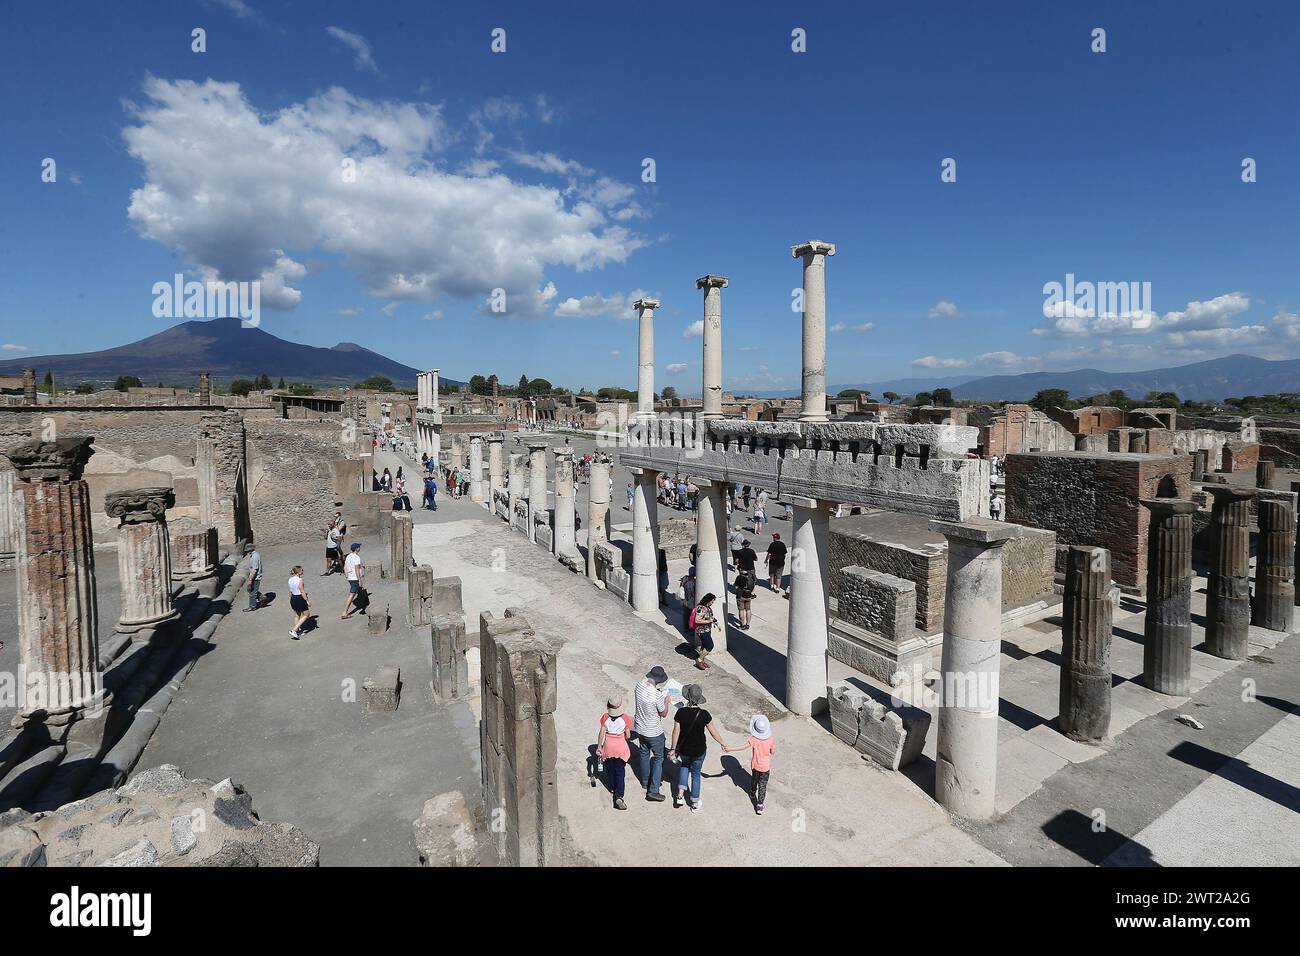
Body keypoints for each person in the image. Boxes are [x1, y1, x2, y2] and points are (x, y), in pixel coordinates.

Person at [668, 684, 727, 812]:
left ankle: (679, 796)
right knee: (695, 774)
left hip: (684, 749)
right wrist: (722, 743)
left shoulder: (681, 712)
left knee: (684, 767)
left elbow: (675, 732)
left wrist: (673, 748)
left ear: (687, 698)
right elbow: (713, 732)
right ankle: (694, 802)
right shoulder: (704, 714)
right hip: (699, 750)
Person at [724, 714, 776, 815]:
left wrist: (730, 749)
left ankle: (752, 793)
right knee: (763, 785)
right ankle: (760, 805)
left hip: (755, 765)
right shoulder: (770, 739)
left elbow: (743, 747)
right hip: (765, 767)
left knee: (754, 779)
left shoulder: (753, 739)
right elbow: (773, 751)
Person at [634, 667, 671, 802]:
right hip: (654, 731)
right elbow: (664, 713)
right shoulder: (657, 696)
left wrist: (657, 692)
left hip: (640, 728)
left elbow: (647, 694)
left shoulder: (639, 685)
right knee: (659, 758)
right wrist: (666, 702)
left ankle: (645, 781)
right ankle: (653, 790)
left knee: (644, 753)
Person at [597, 696, 633, 810]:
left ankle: (612, 787)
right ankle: (619, 796)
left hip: (608, 747)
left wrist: (599, 747)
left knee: (610, 768)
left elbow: (601, 733)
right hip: (620, 747)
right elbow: (628, 735)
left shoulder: (605, 717)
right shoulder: (625, 718)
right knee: (620, 772)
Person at [688, 592, 719, 670]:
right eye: (712, 601)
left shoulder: (708, 608)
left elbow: (709, 617)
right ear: (708, 600)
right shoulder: (701, 608)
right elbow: (697, 620)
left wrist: (715, 622)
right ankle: (699, 660)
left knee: (704, 646)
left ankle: (701, 661)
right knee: (710, 646)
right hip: (701, 631)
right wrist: (709, 621)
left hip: (707, 630)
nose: (712, 603)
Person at [287, 564, 310, 639]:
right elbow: (302, 591)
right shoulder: (300, 580)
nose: (303, 571)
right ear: (299, 572)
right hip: (299, 598)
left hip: (293, 598)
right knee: (306, 614)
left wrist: (292, 599)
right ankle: (294, 630)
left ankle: (298, 631)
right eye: (302, 570)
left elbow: (290, 591)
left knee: (297, 615)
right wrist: (307, 601)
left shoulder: (290, 579)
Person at [342, 542, 364, 619]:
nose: (360, 548)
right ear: (357, 548)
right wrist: (360, 580)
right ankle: (345, 612)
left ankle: (361, 602)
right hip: (355, 578)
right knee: (352, 594)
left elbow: (345, 567)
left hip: (350, 578)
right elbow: (357, 569)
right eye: (359, 547)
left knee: (355, 592)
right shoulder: (357, 557)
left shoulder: (348, 556)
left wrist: (347, 575)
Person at [678, 566, 697, 630]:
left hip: (684, 601)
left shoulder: (684, 578)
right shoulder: (693, 582)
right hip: (690, 602)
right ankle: (691, 629)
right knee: (692, 616)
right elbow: (692, 593)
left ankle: (685, 628)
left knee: (685, 615)